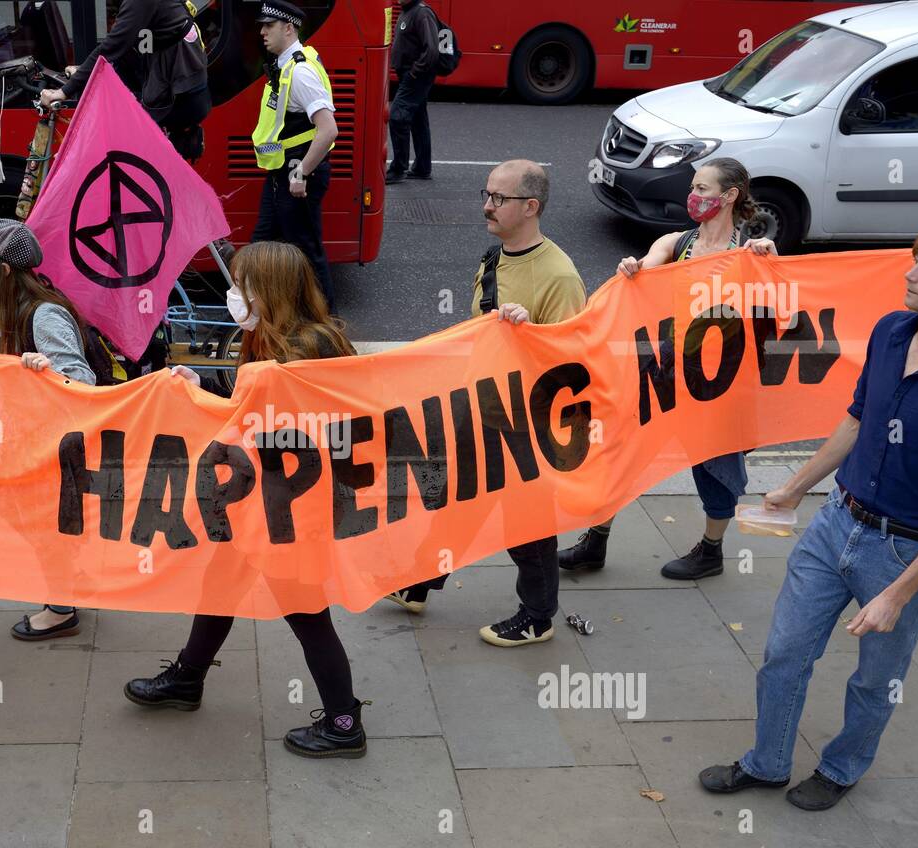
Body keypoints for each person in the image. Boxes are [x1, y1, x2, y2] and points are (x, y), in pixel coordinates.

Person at [701, 219, 918, 811]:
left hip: (907, 552)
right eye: (916, 260)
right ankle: (767, 762)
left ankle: (841, 768)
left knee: (874, 679)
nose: (911, 274)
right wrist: (793, 486)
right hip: (837, 520)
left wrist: (898, 593)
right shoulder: (891, 331)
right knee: (785, 651)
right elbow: (858, 419)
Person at [123, 241, 371, 758]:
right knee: (221, 582)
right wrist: (202, 392)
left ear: (269, 289)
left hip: (291, 511)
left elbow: (289, 428)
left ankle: (344, 723)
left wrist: (219, 404)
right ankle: (188, 679)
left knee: (305, 612)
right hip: (262, 498)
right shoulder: (270, 338)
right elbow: (248, 417)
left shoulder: (310, 349)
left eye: (241, 285)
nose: (234, 295)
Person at [382, 160, 587, 648]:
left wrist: (532, 334)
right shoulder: (495, 257)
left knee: (526, 521)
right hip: (483, 404)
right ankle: (421, 580)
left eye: (499, 199)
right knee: (456, 494)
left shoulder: (557, 276)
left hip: (528, 421)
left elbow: (574, 362)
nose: (486, 206)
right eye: (487, 194)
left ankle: (538, 616)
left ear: (530, 207)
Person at [558, 158, 777, 580]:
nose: (693, 197)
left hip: (721, 381)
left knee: (714, 464)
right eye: (693, 188)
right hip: (668, 369)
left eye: (703, 189)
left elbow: (782, 298)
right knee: (624, 449)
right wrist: (633, 268)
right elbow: (646, 267)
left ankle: (711, 552)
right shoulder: (677, 243)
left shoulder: (751, 251)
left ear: (729, 196)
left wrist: (768, 258)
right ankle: (595, 541)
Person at [0, 218, 112, 640]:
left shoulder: (43, 314)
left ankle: (61, 609)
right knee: (36, 521)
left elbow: (81, 382)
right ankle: (71, 576)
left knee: (44, 525)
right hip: (24, 438)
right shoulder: (6, 306)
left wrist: (42, 370)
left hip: (48, 446)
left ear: (4, 269)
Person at [249, 1, 339, 312]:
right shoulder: (283, 67)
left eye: (268, 26)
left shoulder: (300, 72)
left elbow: (328, 129)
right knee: (261, 245)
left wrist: (302, 173)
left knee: (307, 256)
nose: (262, 32)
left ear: (288, 28)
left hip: (298, 179)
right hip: (279, 176)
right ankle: (258, 317)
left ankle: (329, 330)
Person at [39, 0, 210, 161]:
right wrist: (83, 71)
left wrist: (64, 91)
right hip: (177, 86)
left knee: (112, 131)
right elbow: (130, 45)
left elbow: (115, 44)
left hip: (179, 95)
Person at [385, 0, 439, 185]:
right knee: (418, 119)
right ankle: (423, 168)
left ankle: (399, 168)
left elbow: (432, 49)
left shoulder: (422, 13)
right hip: (408, 74)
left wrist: (415, 71)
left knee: (397, 116)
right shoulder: (407, 11)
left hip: (415, 75)